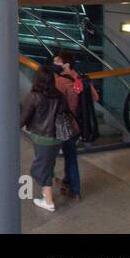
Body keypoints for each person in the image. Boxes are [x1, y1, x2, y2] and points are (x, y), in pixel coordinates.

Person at [20, 64, 76, 212]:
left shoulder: (34, 96)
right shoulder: (59, 96)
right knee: (47, 164)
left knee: (39, 168)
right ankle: (46, 195)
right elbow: (66, 114)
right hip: (57, 137)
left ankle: (49, 201)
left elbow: (23, 118)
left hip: (41, 137)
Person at [52, 50, 99, 200]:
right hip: (80, 123)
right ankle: (67, 181)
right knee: (69, 153)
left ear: (66, 64)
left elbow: (56, 105)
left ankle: (75, 189)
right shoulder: (80, 78)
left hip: (67, 125)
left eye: (57, 62)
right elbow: (96, 97)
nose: (54, 64)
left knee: (68, 156)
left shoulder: (60, 82)